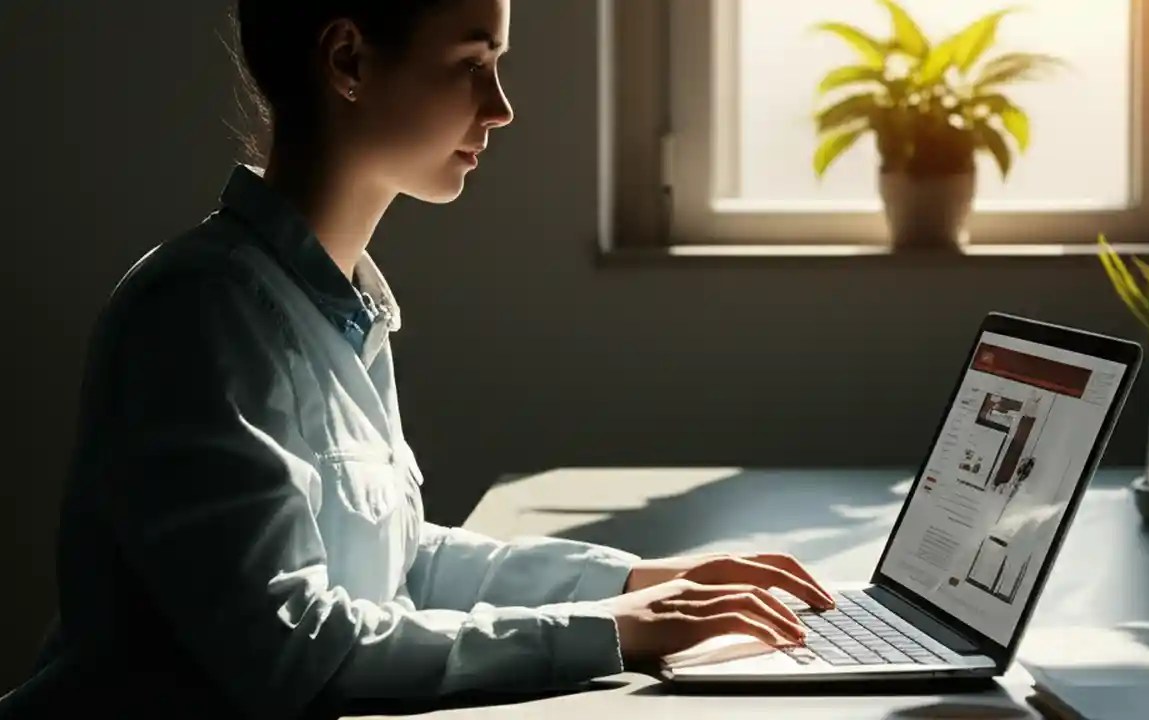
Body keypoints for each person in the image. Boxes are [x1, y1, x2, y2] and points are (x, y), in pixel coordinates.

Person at [0, 1, 836, 717]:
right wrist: (610, 631)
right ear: (349, 60)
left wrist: (637, 585)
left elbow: (397, 565)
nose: (501, 108)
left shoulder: (337, 304)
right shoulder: (200, 312)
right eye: (474, 63)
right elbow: (293, 649)